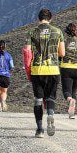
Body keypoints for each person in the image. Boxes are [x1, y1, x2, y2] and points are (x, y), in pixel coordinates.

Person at [23, 8, 65, 138]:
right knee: (50, 97)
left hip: (37, 70)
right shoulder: (58, 32)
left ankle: (39, 129)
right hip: (53, 69)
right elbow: (62, 53)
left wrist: (28, 68)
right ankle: (50, 115)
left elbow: (28, 52)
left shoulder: (32, 32)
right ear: (50, 19)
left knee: (38, 100)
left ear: (38, 19)